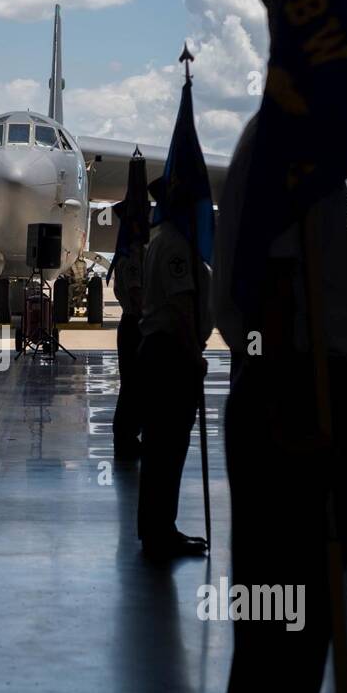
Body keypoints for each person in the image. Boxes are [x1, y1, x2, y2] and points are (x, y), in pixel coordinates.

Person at [214, 0, 347, 693]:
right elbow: (275, 293)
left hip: (312, 404)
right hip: (296, 409)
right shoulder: (290, 149)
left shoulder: (312, 143)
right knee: (283, 631)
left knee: (298, 631)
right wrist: (298, 418)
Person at [137, 177, 211, 559]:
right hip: (171, 354)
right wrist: (194, 355)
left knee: (160, 448)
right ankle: (160, 531)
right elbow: (182, 308)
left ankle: (157, 528)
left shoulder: (162, 239)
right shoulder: (176, 245)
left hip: (161, 351)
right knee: (167, 448)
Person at [111, 200, 146, 460]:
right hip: (136, 324)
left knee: (132, 385)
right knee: (133, 385)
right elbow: (137, 295)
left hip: (131, 325)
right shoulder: (133, 255)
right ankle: (126, 438)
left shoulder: (126, 253)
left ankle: (128, 436)